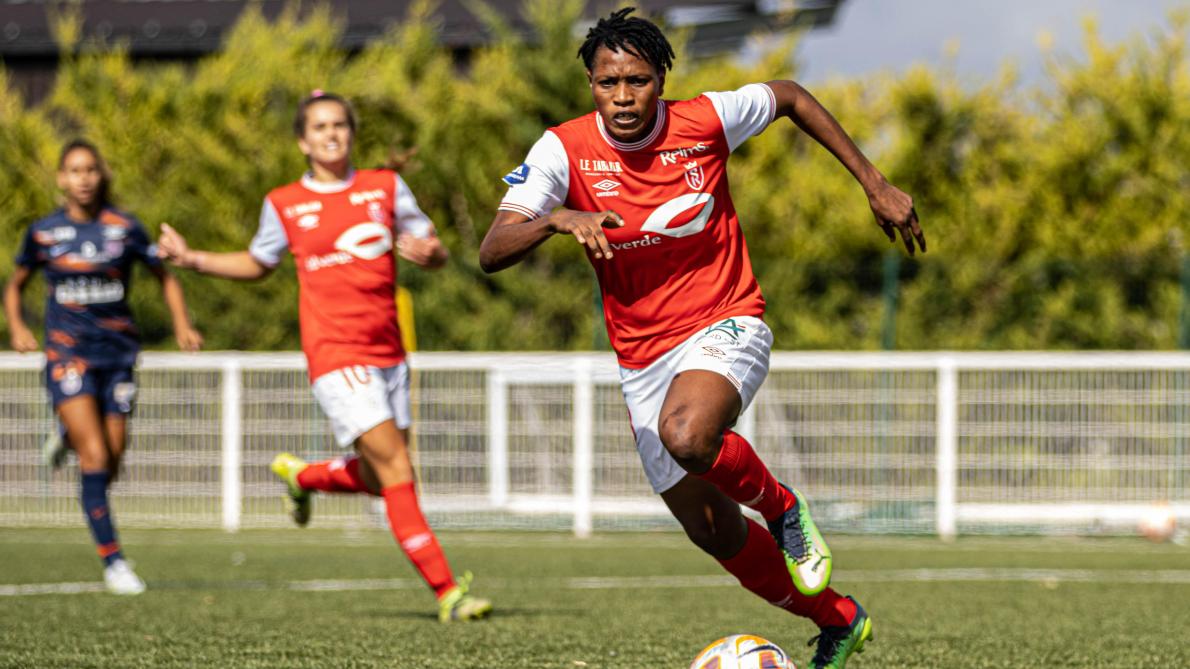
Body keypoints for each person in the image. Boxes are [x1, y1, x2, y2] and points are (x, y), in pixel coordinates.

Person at [480, 8, 925, 667]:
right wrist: (556, 218)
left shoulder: (705, 120)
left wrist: (875, 182)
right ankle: (841, 618)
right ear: (591, 83)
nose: (623, 97)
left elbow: (792, 96)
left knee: (687, 436)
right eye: (608, 83)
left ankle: (784, 510)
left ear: (662, 78)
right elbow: (492, 249)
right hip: (642, 359)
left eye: (637, 80)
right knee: (712, 528)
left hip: (727, 318)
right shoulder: (562, 150)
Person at [156, 91, 492, 623]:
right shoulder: (285, 202)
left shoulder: (385, 187)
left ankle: (304, 476)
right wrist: (192, 259)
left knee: (386, 475)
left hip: (390, 353)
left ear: (351, 133)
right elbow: (258, 260)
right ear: (302, 140)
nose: (330, 134)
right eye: (319, 127)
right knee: (398, 467)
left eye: (339, 124)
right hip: (334, 352)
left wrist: (435, 255)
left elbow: (431, 247)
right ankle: (448, 591)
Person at [4, 139, 204, 595]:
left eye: (91, 170)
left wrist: (182, 325)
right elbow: (15, 285)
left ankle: (67, 436)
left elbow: (165, 277)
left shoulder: (124, 228)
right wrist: (17, 327)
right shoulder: (43, 233)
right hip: (67, 352)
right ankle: (114, 562)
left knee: (110, 461)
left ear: (101, 175)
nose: (83, 178)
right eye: (74, 170)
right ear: (61, 179)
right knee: (94, 458)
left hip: (117, 356)